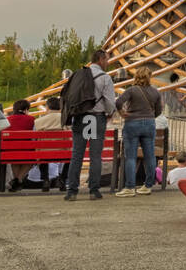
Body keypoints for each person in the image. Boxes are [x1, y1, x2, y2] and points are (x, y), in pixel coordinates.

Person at [64, 50, 117, 202]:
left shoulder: (78, 74)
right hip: (95, 118)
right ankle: (94, 190)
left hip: (80, 117)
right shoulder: (105, 78)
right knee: (95, 156)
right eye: (107, 59)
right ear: (100, 59)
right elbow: (109, 102)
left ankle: (72, 191)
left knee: (77, 155)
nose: (107, 62)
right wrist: (109, 113)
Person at [115, 64, 162, 197]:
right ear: (149, 77)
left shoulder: (131, 90)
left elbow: (118, 102)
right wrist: (149, 116)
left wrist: (122, 113)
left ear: (136, 76)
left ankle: (130, 187)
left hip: (132, 123)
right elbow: (159, 111)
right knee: (149, 156)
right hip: (149, 124)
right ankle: (147, 186)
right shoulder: (155, 92)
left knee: (131, 157)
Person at [26, 97, 65, 190]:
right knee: (70, 155)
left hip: (43, 153)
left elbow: (33, 140)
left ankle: (45, 179)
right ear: (60, 107)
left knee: (42, 153)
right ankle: (62, 178)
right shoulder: (65, 120)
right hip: (63, 153)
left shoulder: (38, 121)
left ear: (47, 107)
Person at [4, 99, 37, 192]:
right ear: (26, 109)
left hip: (9, 152)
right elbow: (35, 137)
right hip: (28, 151)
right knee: (30, 160)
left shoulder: (7, 120)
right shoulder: (32, 119)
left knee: (15, 159)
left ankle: (16, 181)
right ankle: (18, 180)